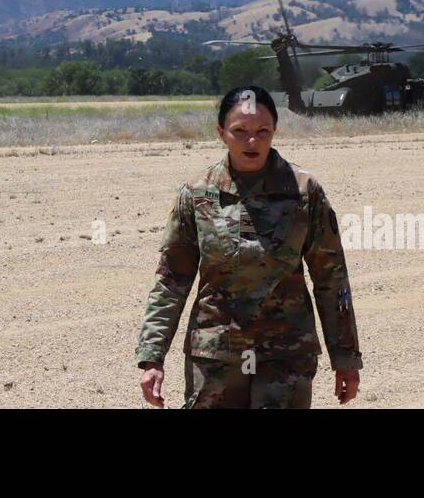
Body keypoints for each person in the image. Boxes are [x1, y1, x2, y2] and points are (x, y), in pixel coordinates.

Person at [136, 85, 362, 408]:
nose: (251, 141)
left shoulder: (304, 193)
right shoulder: (197, 194)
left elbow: (332, 279)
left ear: (275, 131)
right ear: (221, 132)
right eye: (240, 131)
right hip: (216, 356)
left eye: (262, 131)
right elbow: (171, 281)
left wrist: (346, 357)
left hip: (285, 356)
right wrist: (152, 357)